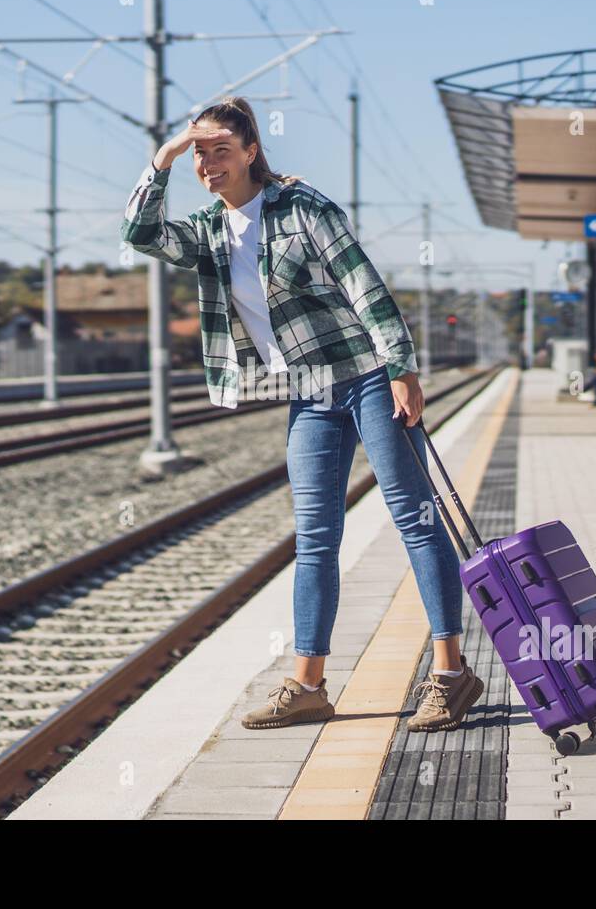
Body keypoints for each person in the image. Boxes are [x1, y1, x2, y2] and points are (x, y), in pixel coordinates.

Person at [120, 96, 481, 733]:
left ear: (252, 150)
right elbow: (140, 235)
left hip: (367, 376)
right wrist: (165, 158)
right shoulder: (206, 228)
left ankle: (451, 674)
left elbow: (364, 284)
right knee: (315, 539)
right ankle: (309, 685)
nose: (209, 165)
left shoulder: (302, 208)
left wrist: (401, 367)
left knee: (414, 519)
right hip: (308, 391)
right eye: (201, 153)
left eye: (220, 150)